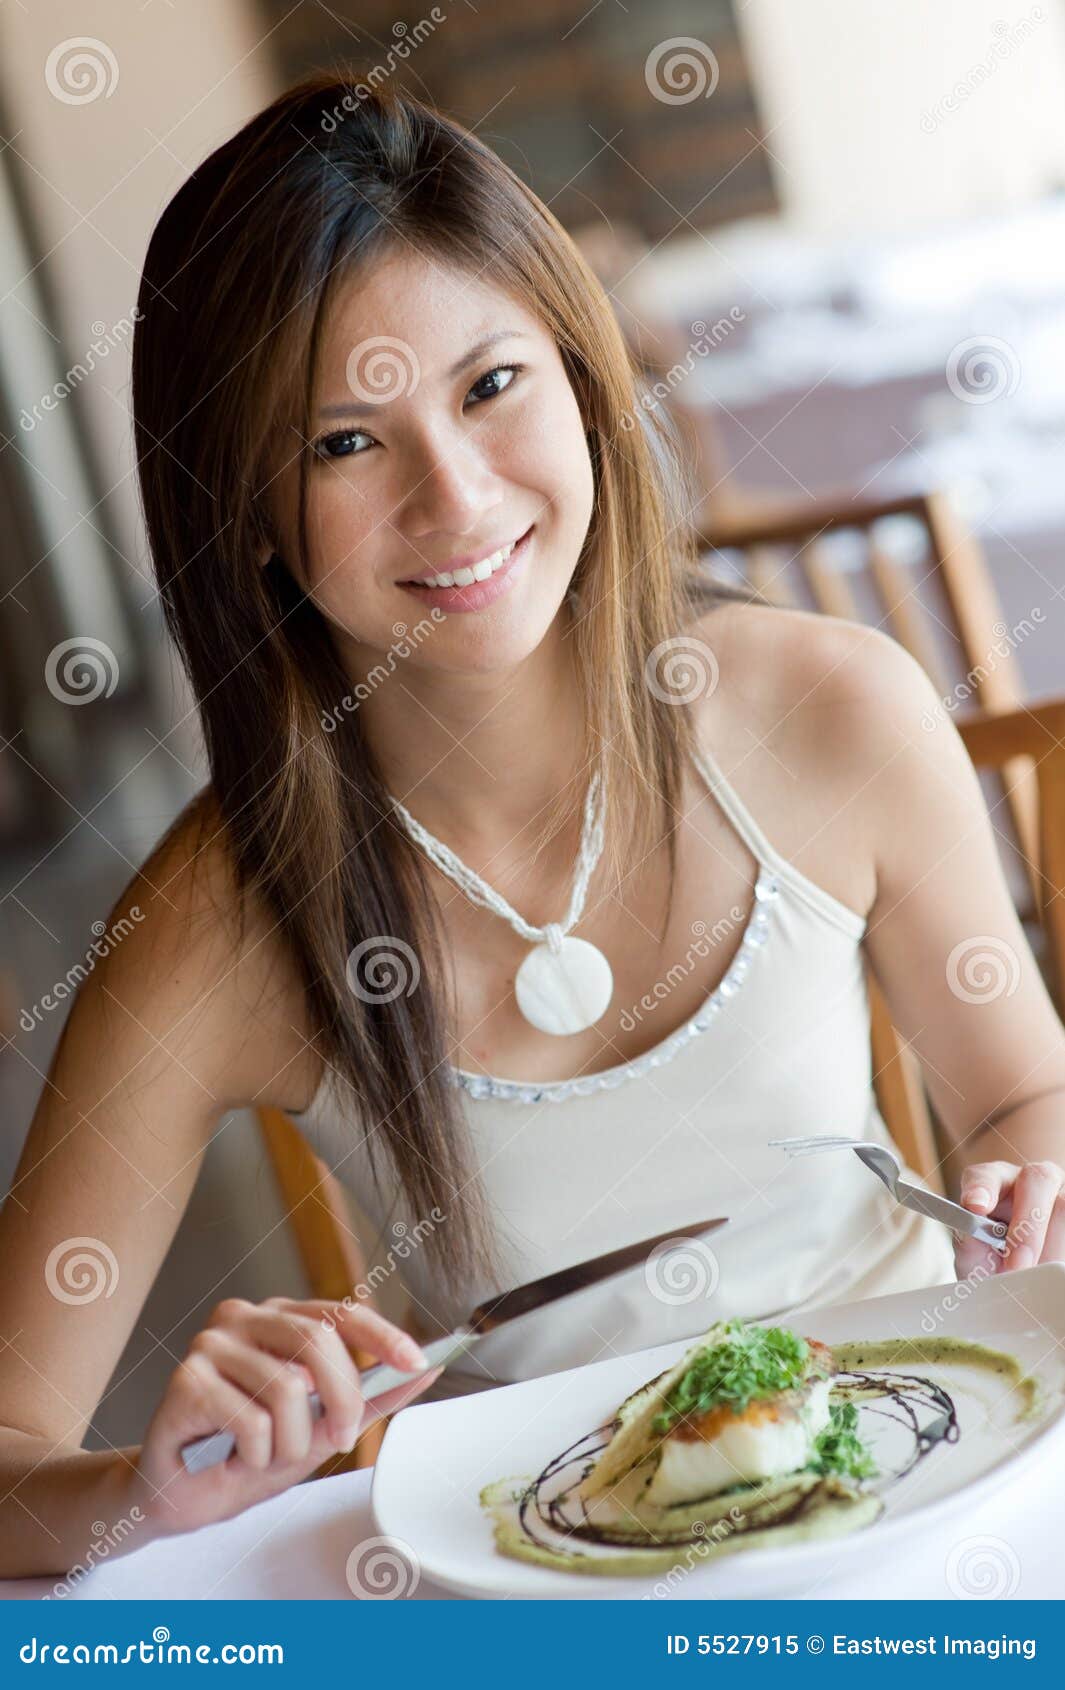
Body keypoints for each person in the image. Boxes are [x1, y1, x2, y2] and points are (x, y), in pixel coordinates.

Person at [2, 73, 1063, 1580]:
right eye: (341, 444)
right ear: (247, 510)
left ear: (578, 377)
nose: (455, 494)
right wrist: (147, 1493)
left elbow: (1022, 1091)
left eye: (490, 385)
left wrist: (1031, 1167)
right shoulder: (217, 916)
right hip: (550, 1583)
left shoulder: (831, 708)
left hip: (935, 1491)